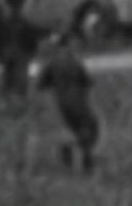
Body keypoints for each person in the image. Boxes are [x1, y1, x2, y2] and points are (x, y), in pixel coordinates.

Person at [37, 31, 101, 172]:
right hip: (78, 100)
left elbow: (41, 85)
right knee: (91, 127)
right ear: (68, 44)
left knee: (77, 128)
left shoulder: (52, 62)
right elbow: (88, 81)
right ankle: (85, 156)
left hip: (62, 102)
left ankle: (71, 148)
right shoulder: (74, 61)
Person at [0, 0, 44, 98]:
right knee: (16, 74)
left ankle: (14, 93)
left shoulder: (9, 21)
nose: (18, 7)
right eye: (18, 3)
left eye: (19, 3)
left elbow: (34, 31)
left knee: (15, 74)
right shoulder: (8, 21)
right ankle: (15, 93)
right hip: (16, 51)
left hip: (15, 51)